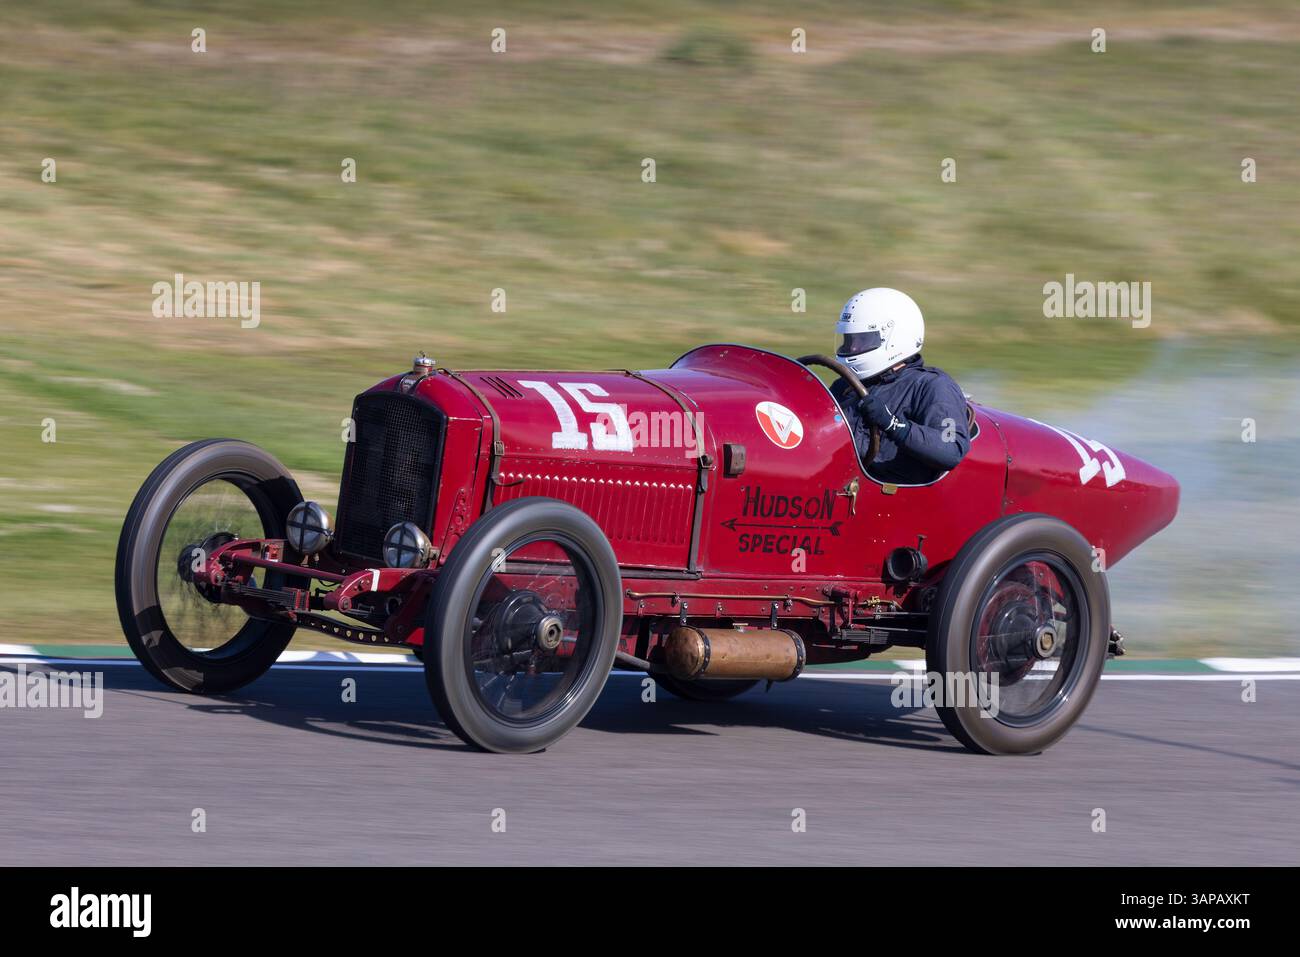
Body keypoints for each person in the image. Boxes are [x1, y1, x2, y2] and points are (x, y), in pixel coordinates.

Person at [828, 288, 971, 485]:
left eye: (863, 339)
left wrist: (892, 424)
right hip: (835, 482)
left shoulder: (934, 386)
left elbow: (951, 450)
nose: (852, 348)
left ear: (893, 338)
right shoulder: (844, 385)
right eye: (850, 339)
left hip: (889, 498)